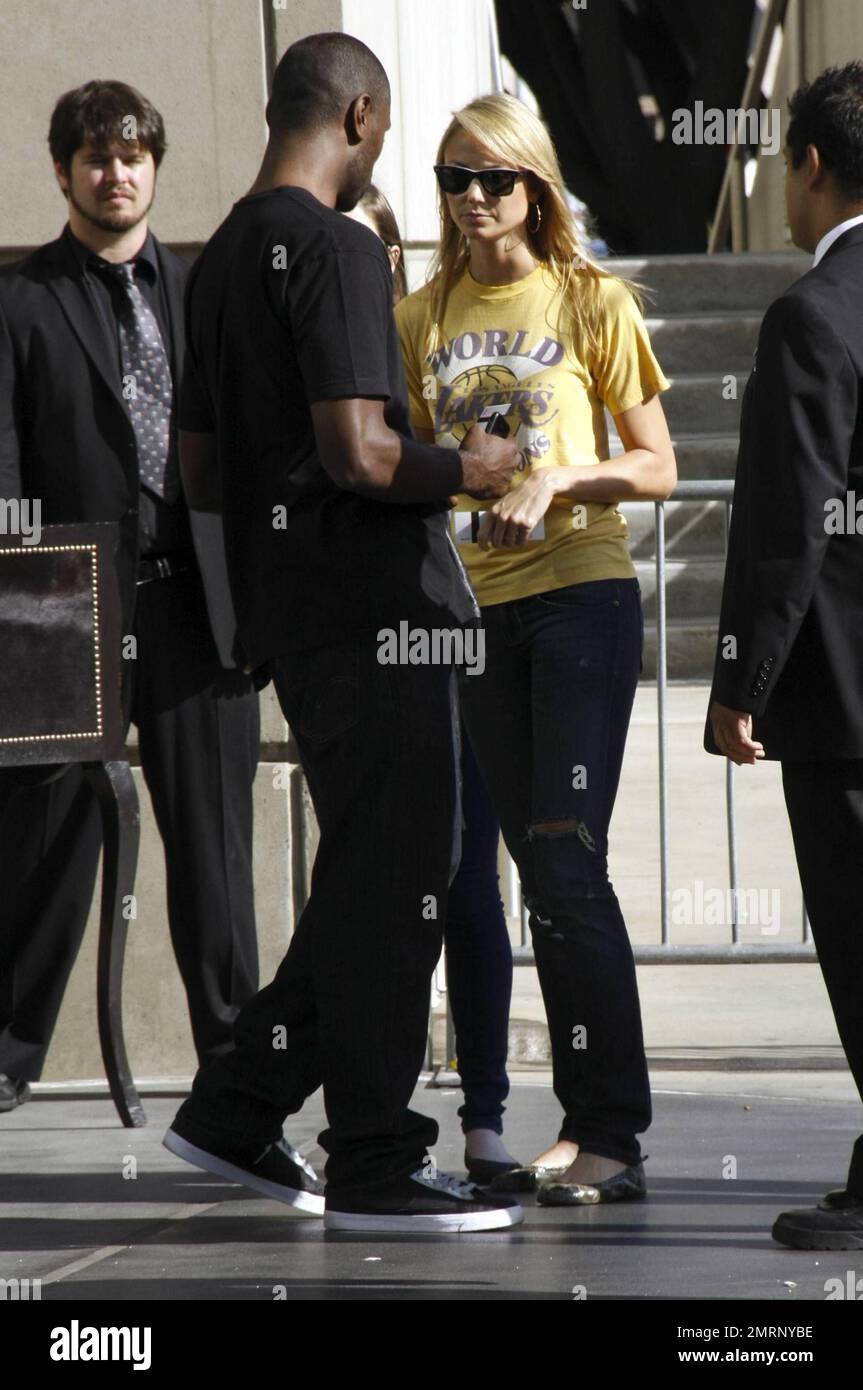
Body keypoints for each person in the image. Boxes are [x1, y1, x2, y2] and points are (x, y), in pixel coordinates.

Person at [163, 33, 525, 1233]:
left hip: (297, 619)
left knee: (370, 874)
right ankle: (376, 1153)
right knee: (400, 876)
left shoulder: (214, 261)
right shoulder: (336, 245)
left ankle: (237, 1102)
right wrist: (467, 467)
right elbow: (360, 450)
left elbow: (204, 468)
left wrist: (259, 600)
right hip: (382, 616)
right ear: (361, 114)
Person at [396, 91, 676, 1204]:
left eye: (493, 179)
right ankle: (579, 1122)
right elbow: (412, 468)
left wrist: (561, 473)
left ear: (535, 186)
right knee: (535, 882)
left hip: (577, 599)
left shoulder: (588, 297)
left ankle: (609, 1128)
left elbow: (655, 464)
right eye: (453, 179)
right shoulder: (418, 317)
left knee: (563, 861)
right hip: (474, 619)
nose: (471, 200)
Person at [0, 81, 263, 1113]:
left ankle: (235, 1073)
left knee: (214, 852)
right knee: (47, 838)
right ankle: (10, 1056)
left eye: (132, 154)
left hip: (198, 607)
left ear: (156, 166)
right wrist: (25, 608)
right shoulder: (19, 301)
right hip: (71, 608)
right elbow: (6, 466)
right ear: (63, 171)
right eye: (96, 157)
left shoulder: (201, 292)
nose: (117, 173)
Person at [705, 61, 863, 1251]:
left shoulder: (811, 317)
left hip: (847, 708)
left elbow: (784, 525)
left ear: (810, 166)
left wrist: (737, 687)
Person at [349, 186, 521, 1183]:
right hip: (378, 643)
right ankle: (378, 1116)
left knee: (469, 883)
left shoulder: (425, 334)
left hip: (471, 628)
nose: (364, 271)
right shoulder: (348, 359)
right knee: (397, 883)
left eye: (378, 252)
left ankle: (484, 1114)